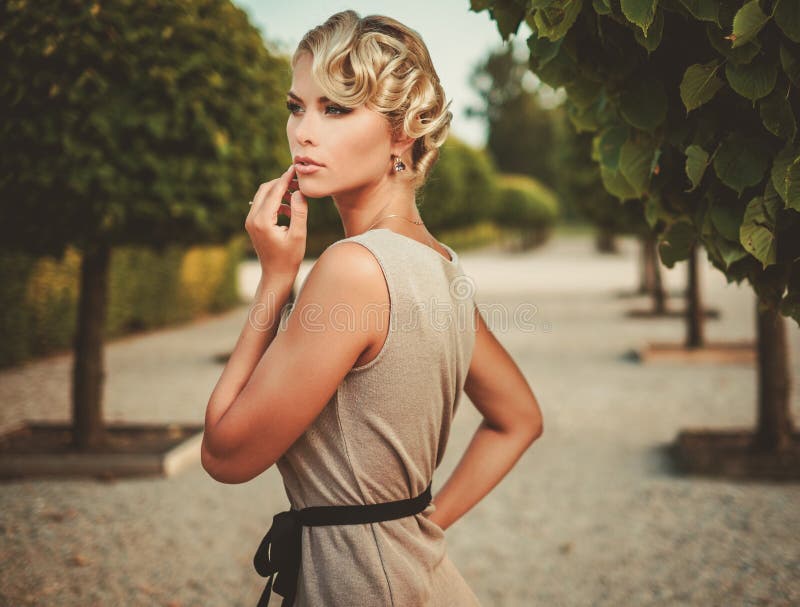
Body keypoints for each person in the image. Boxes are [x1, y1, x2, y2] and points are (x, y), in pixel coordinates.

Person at [201, 9, 543, 606]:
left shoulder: (352, 268)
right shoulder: (443, 266)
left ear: (403, 131)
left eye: (336, 109)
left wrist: (275, 280)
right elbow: (520, 418)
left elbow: (224, 455)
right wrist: (414, 528)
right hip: (419, 581)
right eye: (297, 106)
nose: (304, 132)